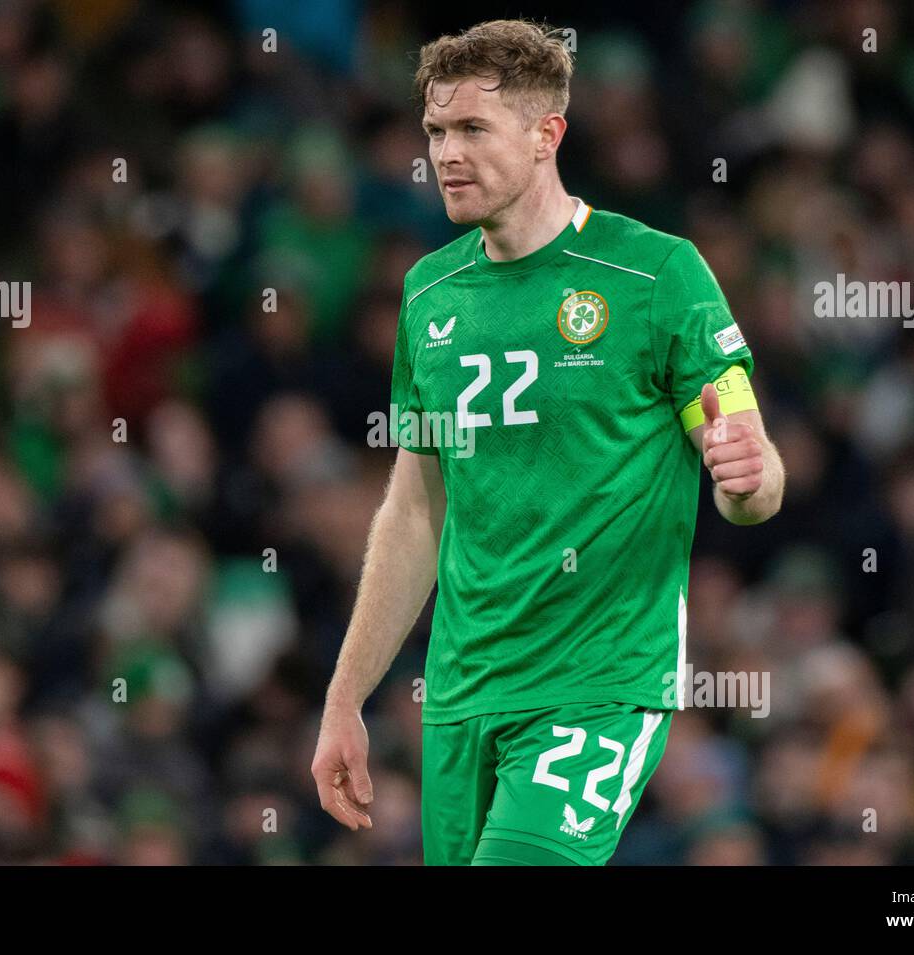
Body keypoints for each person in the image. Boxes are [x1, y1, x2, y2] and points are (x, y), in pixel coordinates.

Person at [311, 18, 785, 865]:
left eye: (471, 129)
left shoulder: (657, 274)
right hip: (460, 696)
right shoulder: (428, 294)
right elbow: (419, 503)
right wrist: (346, 695)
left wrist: (750, 480)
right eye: (435, 131)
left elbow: (748, 464)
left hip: (597, 686)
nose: (445, 153)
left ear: (546, 135)